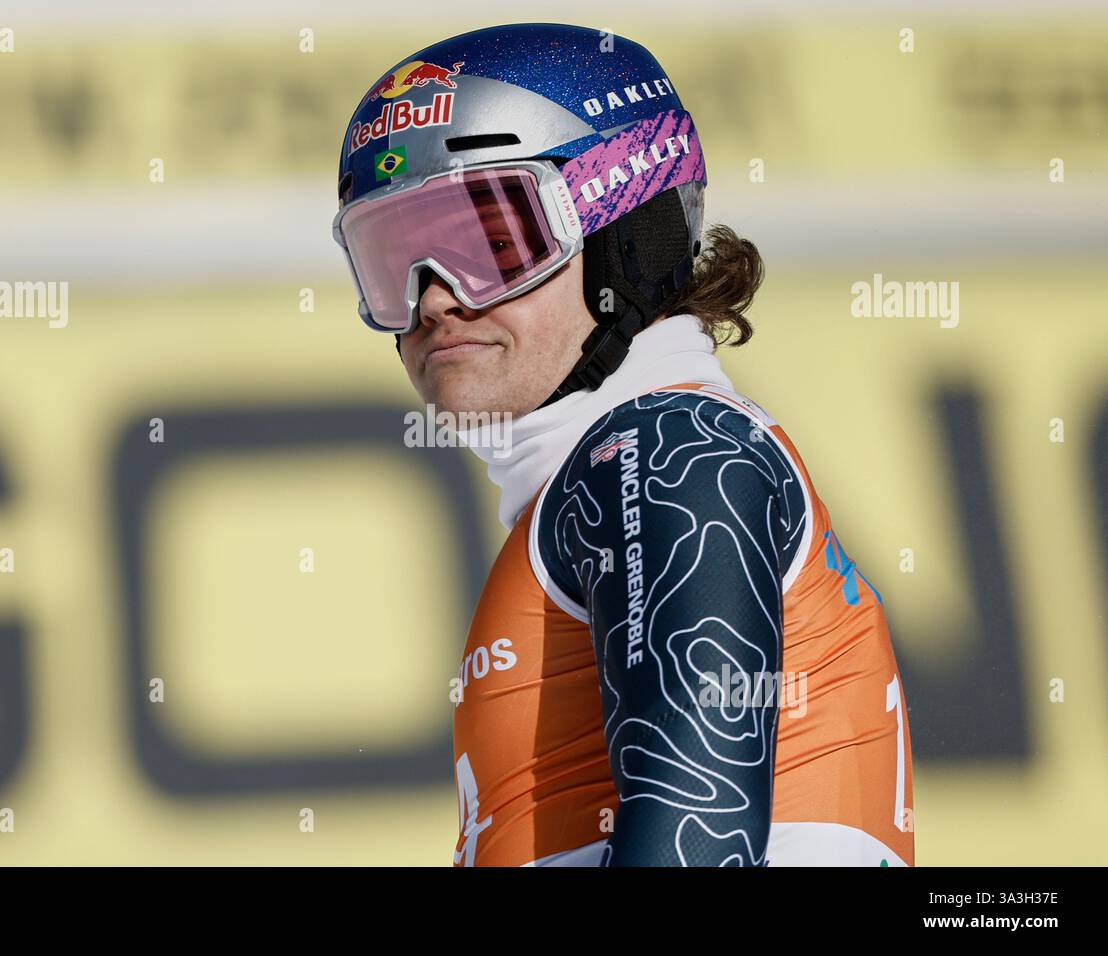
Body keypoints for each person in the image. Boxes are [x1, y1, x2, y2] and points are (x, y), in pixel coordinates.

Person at [333, 22, 915, 867]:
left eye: (491, 243)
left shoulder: (668, 447)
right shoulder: (602, 477)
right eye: (395, 263)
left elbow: (697, 843)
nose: (433, 302)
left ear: (625, 234)